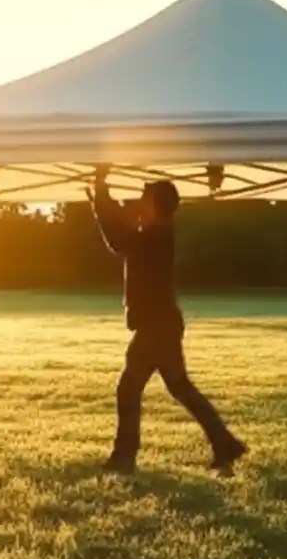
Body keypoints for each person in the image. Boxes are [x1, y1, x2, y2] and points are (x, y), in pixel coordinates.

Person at [87, 170, 246, 475]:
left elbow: (118, 239)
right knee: (180, 388)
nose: (139, 204)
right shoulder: (155, 234)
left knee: (129, 388)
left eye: (144, 200)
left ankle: (124, 458)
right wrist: (102, 199)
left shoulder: (153, 237)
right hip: (162, 325)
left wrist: (101, 198)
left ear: (156, 207)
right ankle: (225, 444)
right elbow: (122, 232)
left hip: (156, 327)